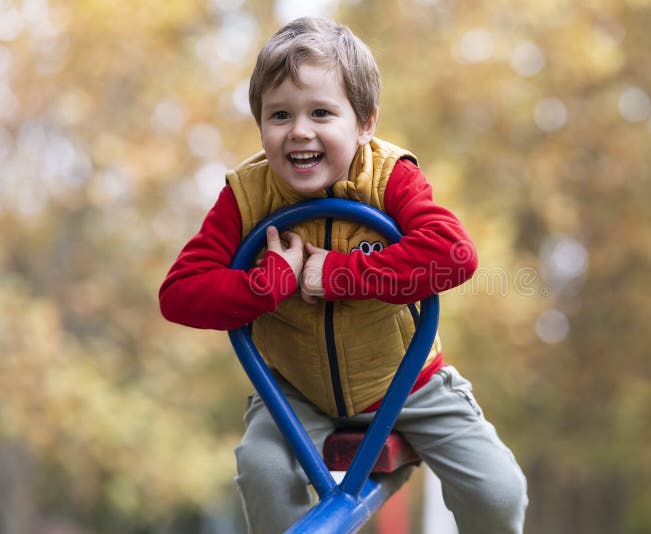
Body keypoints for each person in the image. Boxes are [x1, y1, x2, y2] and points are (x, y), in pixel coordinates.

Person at [159, 16, 528, 534]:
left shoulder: (390, 179)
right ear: (260, 123)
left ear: (364, 122)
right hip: (297, 391)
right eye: (279, 114)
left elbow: (453, 254)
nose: (299, 131)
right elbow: (179, 293)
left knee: (498, 491)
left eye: (322, 113)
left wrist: (339, 275)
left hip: (408, 384)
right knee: (262, 470)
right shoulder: (246, 197)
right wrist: (267, 286)